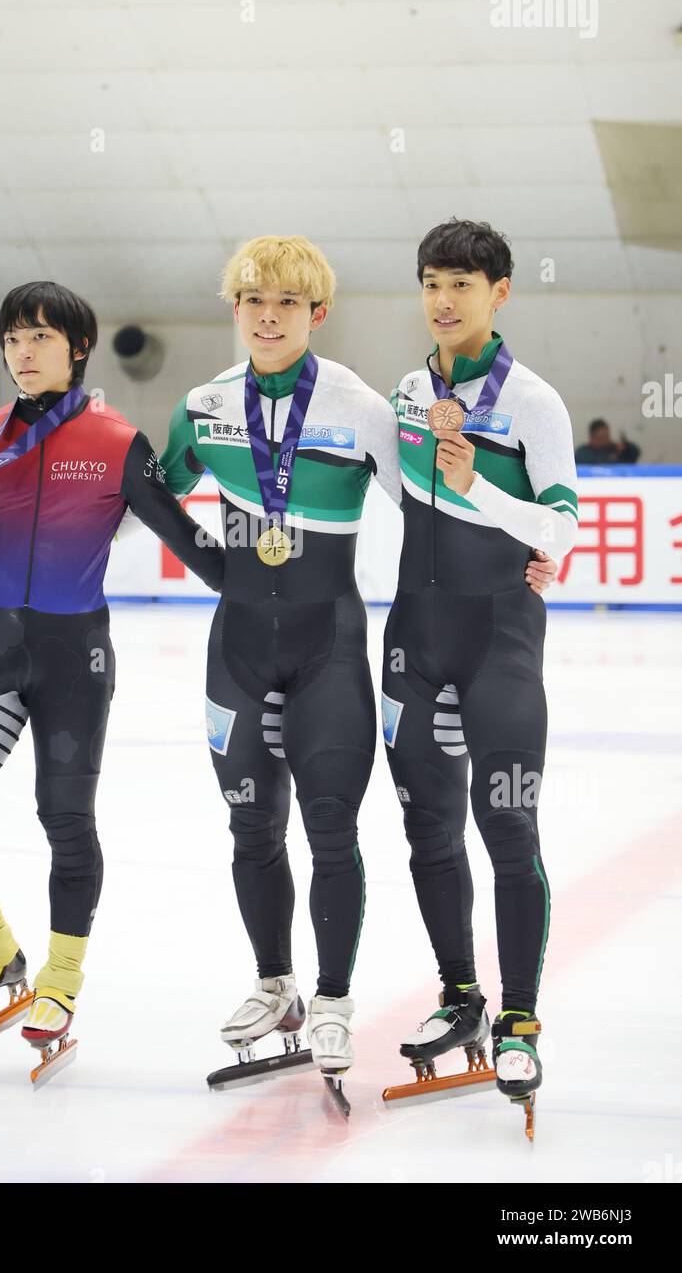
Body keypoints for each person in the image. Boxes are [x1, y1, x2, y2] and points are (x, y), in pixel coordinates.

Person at [156, 235, 557, 1089]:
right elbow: (150, 492)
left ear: (316, 313)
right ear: (235, 309)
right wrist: (205, 559)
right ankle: (287, 987)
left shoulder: (367, 405)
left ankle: (355, 1003)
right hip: (252, 642)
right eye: (253, 301)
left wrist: (528, 541)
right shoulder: (208, 404)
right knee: (262, 825)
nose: (268, 317)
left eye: (287, 304)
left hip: (348, 641)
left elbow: (438, 501)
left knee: (362, 822)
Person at [0, 281, 224, 1065]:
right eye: (15, 336)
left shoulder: (120, 442)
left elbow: (194, 550)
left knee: (66, 822)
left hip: (73, 657)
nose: (24, 350)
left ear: (78, 348)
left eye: (42, 337)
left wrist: (280, 576)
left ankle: (60, 974)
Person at [383, 219, 577, 1121]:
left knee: (508, 829)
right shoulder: (404, 392)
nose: (444, 300)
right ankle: (461, 994)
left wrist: (486, 497)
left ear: (500, 292)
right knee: (428, 830)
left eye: (462, 283)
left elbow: (562, 528)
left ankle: (522, 1023)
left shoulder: (533, 401)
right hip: (413, 637)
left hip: (501, 637)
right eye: (431, 283)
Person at [575, 418, 641, 465]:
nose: (607, 439)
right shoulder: (583, 452)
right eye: (602, 437)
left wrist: (626, 446)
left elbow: (635, 454)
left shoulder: (614, 449)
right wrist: (608, 460)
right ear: (592, 438)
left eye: (607, 436)